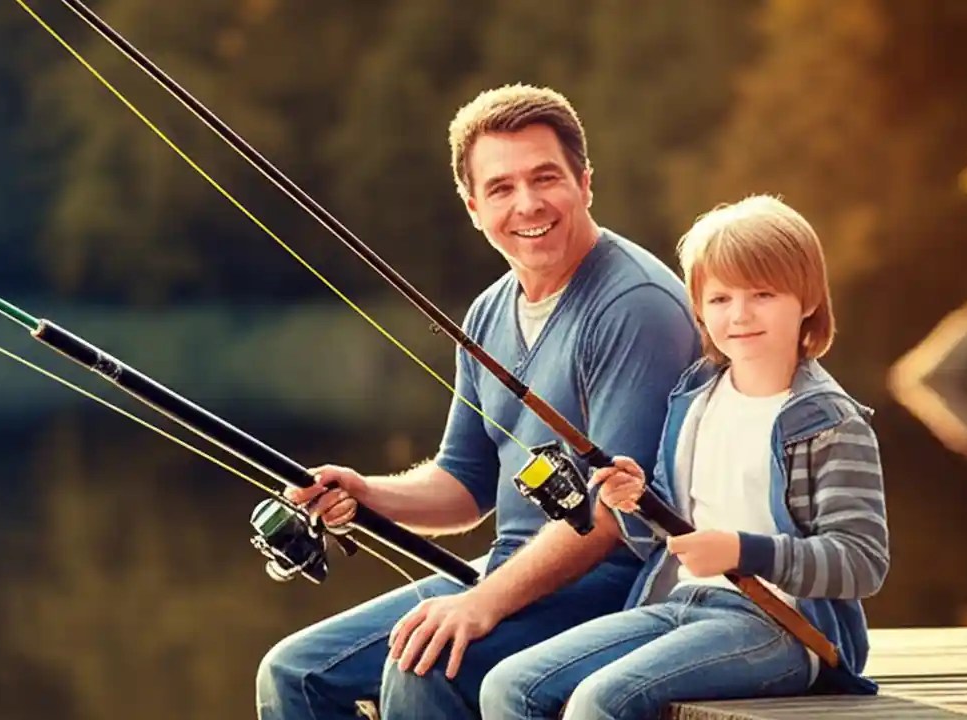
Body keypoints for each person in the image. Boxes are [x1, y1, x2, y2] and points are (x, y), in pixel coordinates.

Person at [254, 84, 701, 719]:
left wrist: (484, 602)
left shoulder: (636, 306)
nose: (527, 204)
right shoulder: (489, 310)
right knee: (293, 673)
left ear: (585, 182)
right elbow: (465, 486)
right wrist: (365, 491)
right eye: (500, 188)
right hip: (505, 572)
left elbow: (610, 521)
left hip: (615, 590)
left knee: (425, 669)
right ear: (472, 205)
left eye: (545, 177)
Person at [478, 195, 892, 720]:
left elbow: (862, 562)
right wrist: (638, 501)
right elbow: (669, 530)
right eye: (720, 299)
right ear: (698, 307)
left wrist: (743, 551)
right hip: (675, 605)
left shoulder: (829, 422)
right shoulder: (694, 397)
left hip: (782, 629)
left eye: (762, 294)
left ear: (807, 299)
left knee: (600, 702)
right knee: (508, 687)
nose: (739, 315)